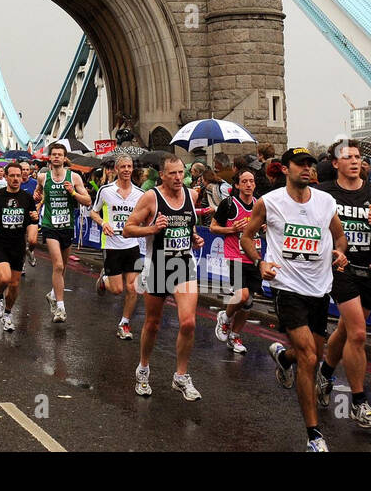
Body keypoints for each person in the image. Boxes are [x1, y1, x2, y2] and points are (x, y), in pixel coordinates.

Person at [241, 148, 348, 452]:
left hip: (319, 288)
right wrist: (260, 263)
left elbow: (339, 237)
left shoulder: (326, 202)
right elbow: (247, 236)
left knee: (311, 352)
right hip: (287, 287)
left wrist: (340, 252)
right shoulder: (270, 202)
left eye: (310, 164)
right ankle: (314, 434)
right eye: (300, 164)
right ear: (285, 169)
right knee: (311, 359)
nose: (307, 168)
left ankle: (283, 357)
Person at [316, 141, 371, 428]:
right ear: (335, 163)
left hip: (368, 269)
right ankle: (359, 403)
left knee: (346, 329)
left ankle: (325, 372)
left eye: (358, 157)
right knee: (359, 334)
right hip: (339, 268)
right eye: (347, 157)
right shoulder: (324, 193)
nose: (354, 161)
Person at [123, 155, 204, 400]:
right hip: (157, 265)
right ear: (163, 175)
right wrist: (152, 229)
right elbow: (128, 229)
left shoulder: (191, 196)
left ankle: (181, 376)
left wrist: (194, 238)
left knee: (188, 322)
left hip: (183, 265)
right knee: (153, 324)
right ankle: (143, 368)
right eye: (173, 174)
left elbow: (188, 226)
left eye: (181, 173)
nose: (178, 178)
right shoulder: (151, 198)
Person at [31, 143, 92, 323]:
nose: (56, 157)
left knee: (63, 267)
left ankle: (52, 294)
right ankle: (60, 308)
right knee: (57, 265)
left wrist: (72, 192)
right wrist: (37, 197)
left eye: (60, 154)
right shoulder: (43, 177)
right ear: (50, 158)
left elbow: (87, 201)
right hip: (50, 227)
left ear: (65, 158)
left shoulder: (74, 177)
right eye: (54, 154)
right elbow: (38, 194)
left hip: (67, 227)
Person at [91, 154, 144, 341]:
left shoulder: (140, 194)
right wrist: (103, 223)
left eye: (129, 167)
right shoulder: (105, 190)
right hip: (112, 245)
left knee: (132, 287)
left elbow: (146, 216)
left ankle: (124, 323)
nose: (127, 170)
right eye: (123, 167)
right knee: (117, 290)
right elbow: (93, 211)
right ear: (116, 169)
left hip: (132, 245)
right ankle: (104, 279)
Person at [0, 162, 38, 331]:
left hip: (18, 245)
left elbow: (31, 218)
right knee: (4, 278)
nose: (15, 179)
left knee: (14, 284)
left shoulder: (26, 198)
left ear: (22, 177)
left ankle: (7, 313)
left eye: (18, 176)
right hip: (1, 243)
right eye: (11, 175)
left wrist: (35, 218)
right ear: (5, 177)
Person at [210, 168, 260, 354]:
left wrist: (263, 227)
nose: (248, 184)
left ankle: (235, 335)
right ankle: (225, 317)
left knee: (248, 303)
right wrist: (231, 229)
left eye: (251, 181)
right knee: (243, 295)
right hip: (234, 255)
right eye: (244, 181)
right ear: (237, 185)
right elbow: (213, 228)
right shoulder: (229, 204)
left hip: (254, 256)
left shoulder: (259, 204)